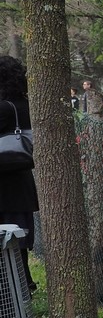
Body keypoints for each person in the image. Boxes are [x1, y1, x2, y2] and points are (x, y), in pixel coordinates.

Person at [0, 56, 39, 293]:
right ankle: (24, 285)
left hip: (3, 184)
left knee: (4, 237)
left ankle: (11, 290)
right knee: (18, 241)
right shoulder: (26, 105)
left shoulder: (3, 108)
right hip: (21, 180)